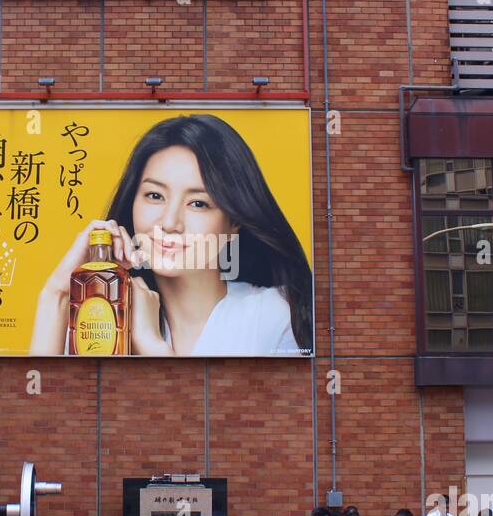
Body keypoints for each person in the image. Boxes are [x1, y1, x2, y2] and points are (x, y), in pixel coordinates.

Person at [30, 114, 314, 357]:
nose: (169, 222)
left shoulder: (273, 317)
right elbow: (38, 415)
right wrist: (56, 293)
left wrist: (153, 348)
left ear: (234, 222)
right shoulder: (101, 319)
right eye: (155, 195)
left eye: (198, 203)